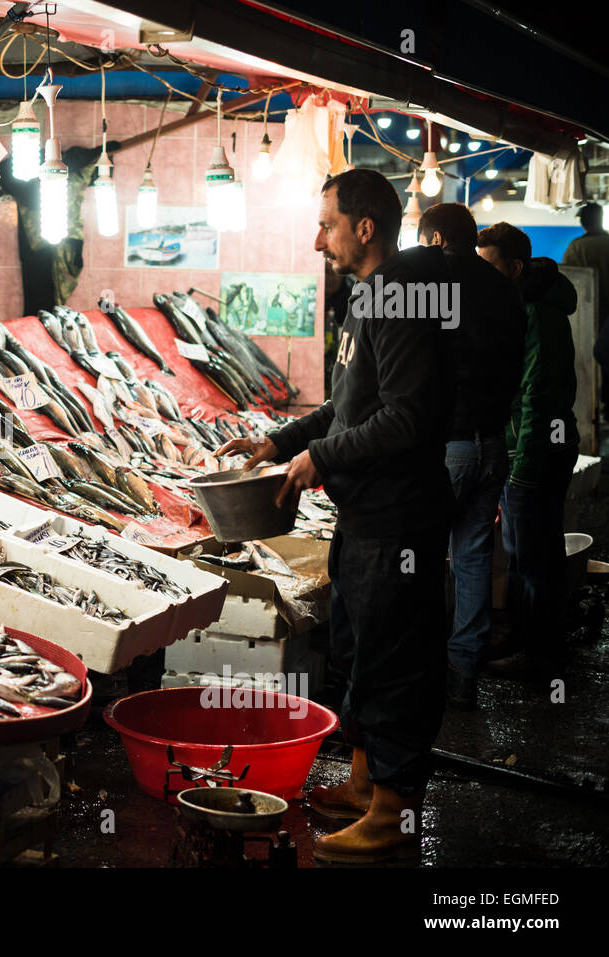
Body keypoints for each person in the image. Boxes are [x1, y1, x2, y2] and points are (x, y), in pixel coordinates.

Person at [216, 168, 453, 863]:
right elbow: (347, 408)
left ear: (366, 227)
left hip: (398, 518)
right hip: (364, 516)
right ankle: (364, 780)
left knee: (395, 663)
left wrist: (321, 457)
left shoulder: (403, 299)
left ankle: (395, 812)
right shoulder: (367, 297)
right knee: (356, 651)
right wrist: (280, 441)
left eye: (328, 224)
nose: (317, 238)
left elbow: (408, 418)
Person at [417, 203, 526, 709]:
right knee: (473, 557)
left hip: (446, 444)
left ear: (437, 239)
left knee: (414, 555)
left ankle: (416, 670)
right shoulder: (505, 287)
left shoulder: (431, 282)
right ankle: (463, 672)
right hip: (491, 444)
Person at [478, 222, 579, 678]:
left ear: (515, 267)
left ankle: (542, 658)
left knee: (536, 556)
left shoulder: (538, 313)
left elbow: (538, 396)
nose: (483, 279)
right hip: (520, 448)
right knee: (521, 551)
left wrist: (524, 469)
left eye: (491, 267)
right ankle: (524, 638)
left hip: (537, 450)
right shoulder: (516, 304)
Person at [563, 203, 609, 419]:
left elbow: (568, 285)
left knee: (589, 366)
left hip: (587, 321)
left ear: (584, 222)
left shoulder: (577, 247)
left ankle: (594, 414)